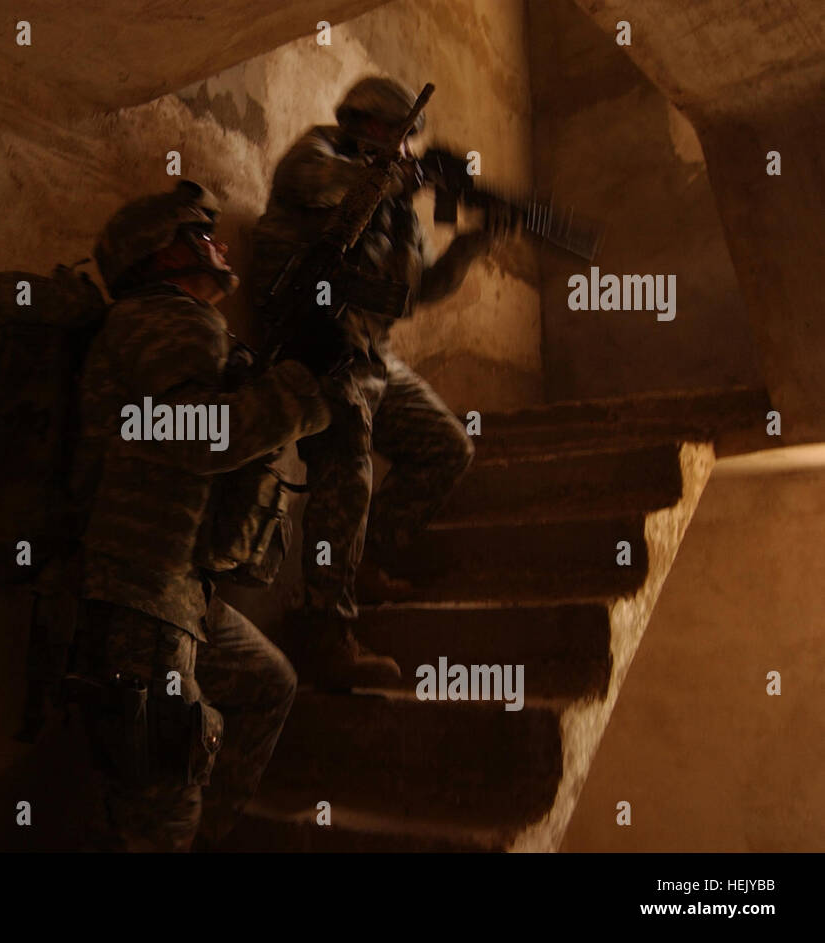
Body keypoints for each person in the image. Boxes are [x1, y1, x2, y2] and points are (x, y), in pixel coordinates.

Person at [69, 180, 340, 851]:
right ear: (163, 258)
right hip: (141, 598)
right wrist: (303, 386)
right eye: (200, 234)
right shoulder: (161, 319)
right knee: (157, 814)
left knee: (268, 682)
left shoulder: (184, 325)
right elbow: (197, 434)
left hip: (176, 591)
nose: (219, 243)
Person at [251, 76, 517, 685]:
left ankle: (365, 562)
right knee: (348, 470)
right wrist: (404, 178)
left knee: (447, 446)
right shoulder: (319, 154)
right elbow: (310, 188)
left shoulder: (399, 208)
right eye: (398, 135)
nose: (406, 149)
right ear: (366, 126)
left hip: (374, 352)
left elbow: (420, 291)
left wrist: (474, 244)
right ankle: (326, 630)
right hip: (318, 344)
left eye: (409, 141)